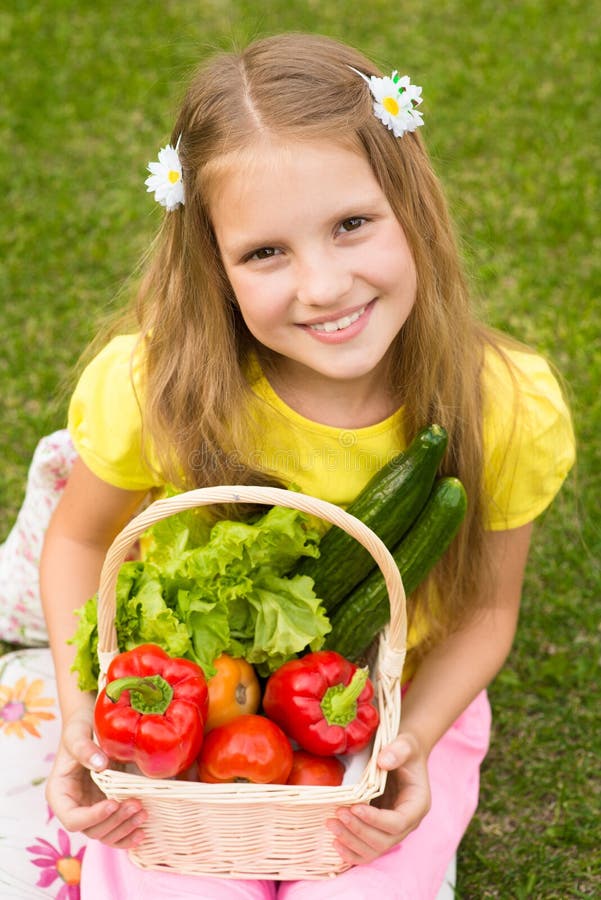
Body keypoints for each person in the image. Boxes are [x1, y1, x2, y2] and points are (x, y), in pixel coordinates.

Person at [39, 32, 575, 899]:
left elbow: (482, 608)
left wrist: (414, 743)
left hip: (395, 698)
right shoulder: (154, 387)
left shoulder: (503, 403)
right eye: (265, 253)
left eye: (351, 225)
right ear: (214, 267)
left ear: (414, 209)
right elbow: (78, 543)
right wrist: (80, 717)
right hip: (200, 700)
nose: (322, 286)